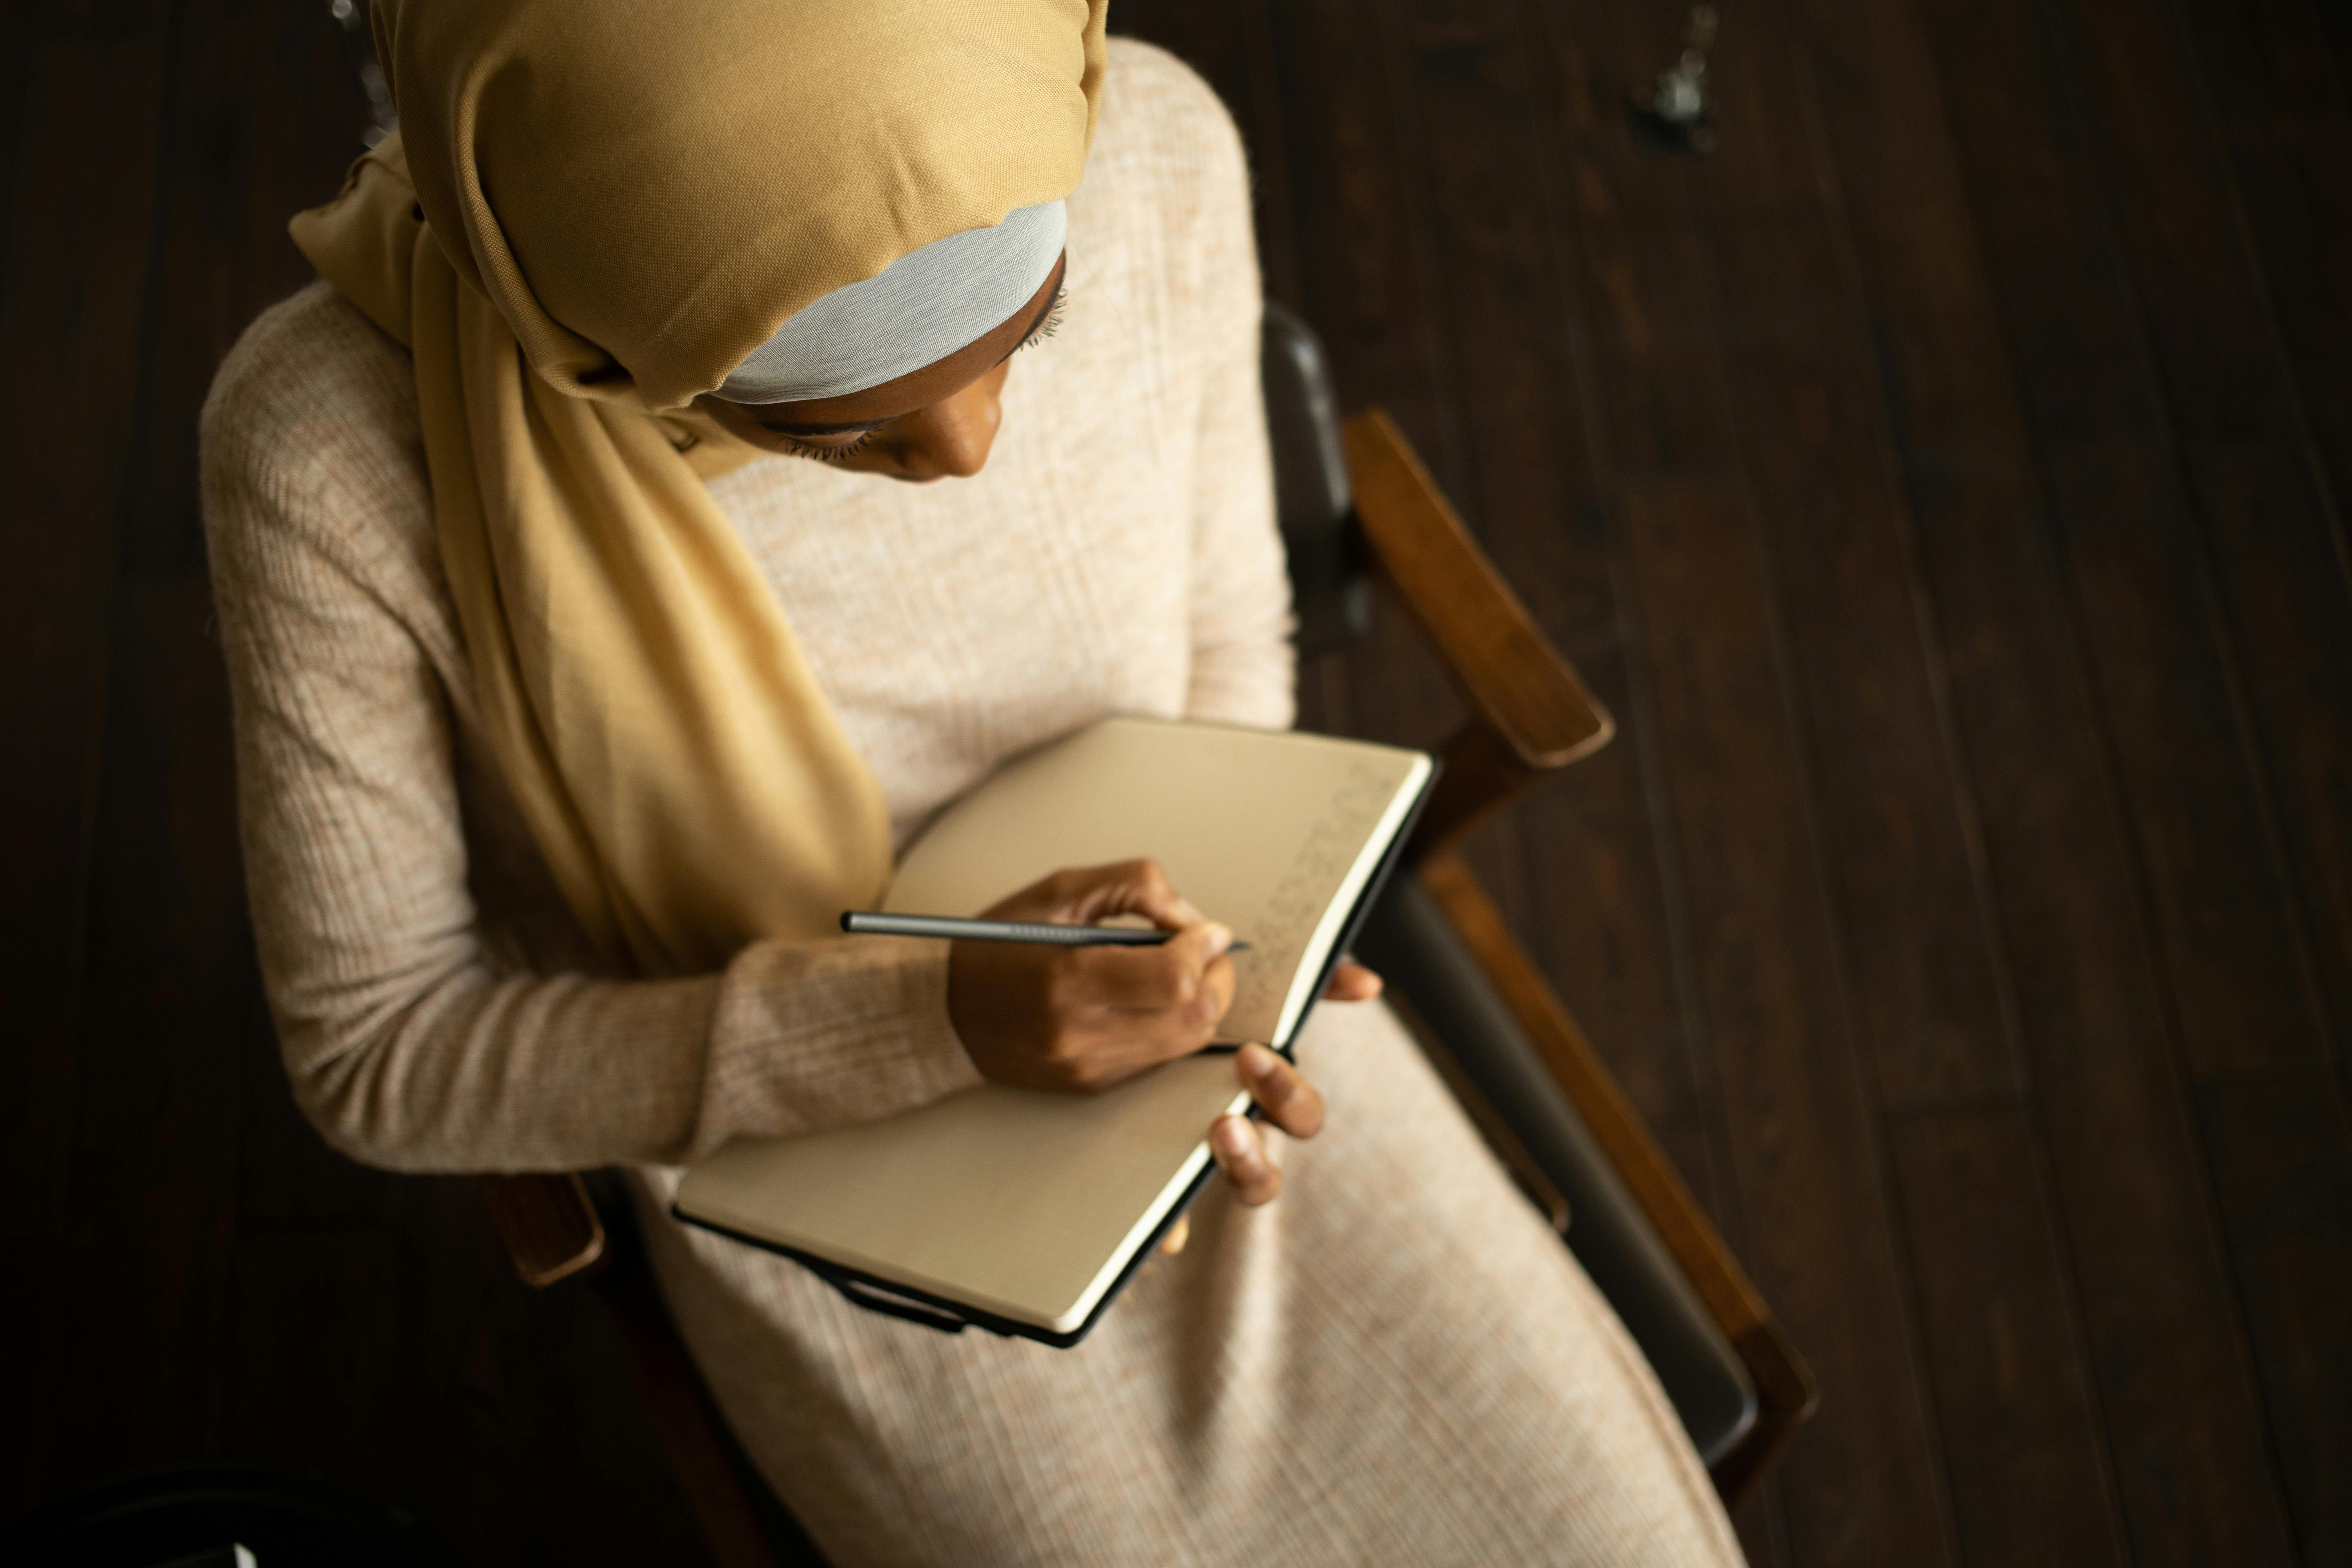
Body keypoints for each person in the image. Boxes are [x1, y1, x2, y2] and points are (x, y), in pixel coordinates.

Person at [199, 0, 1745, 1562]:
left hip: (1203, 1007)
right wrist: (924, 1022)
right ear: (594, 337)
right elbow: (378, 1049)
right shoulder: (330, 453)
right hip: (800, 1136)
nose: (966, 449)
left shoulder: (1149, 148)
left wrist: (1227, 939)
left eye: (1035, 328)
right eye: (835, 429)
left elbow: (1228, 640)